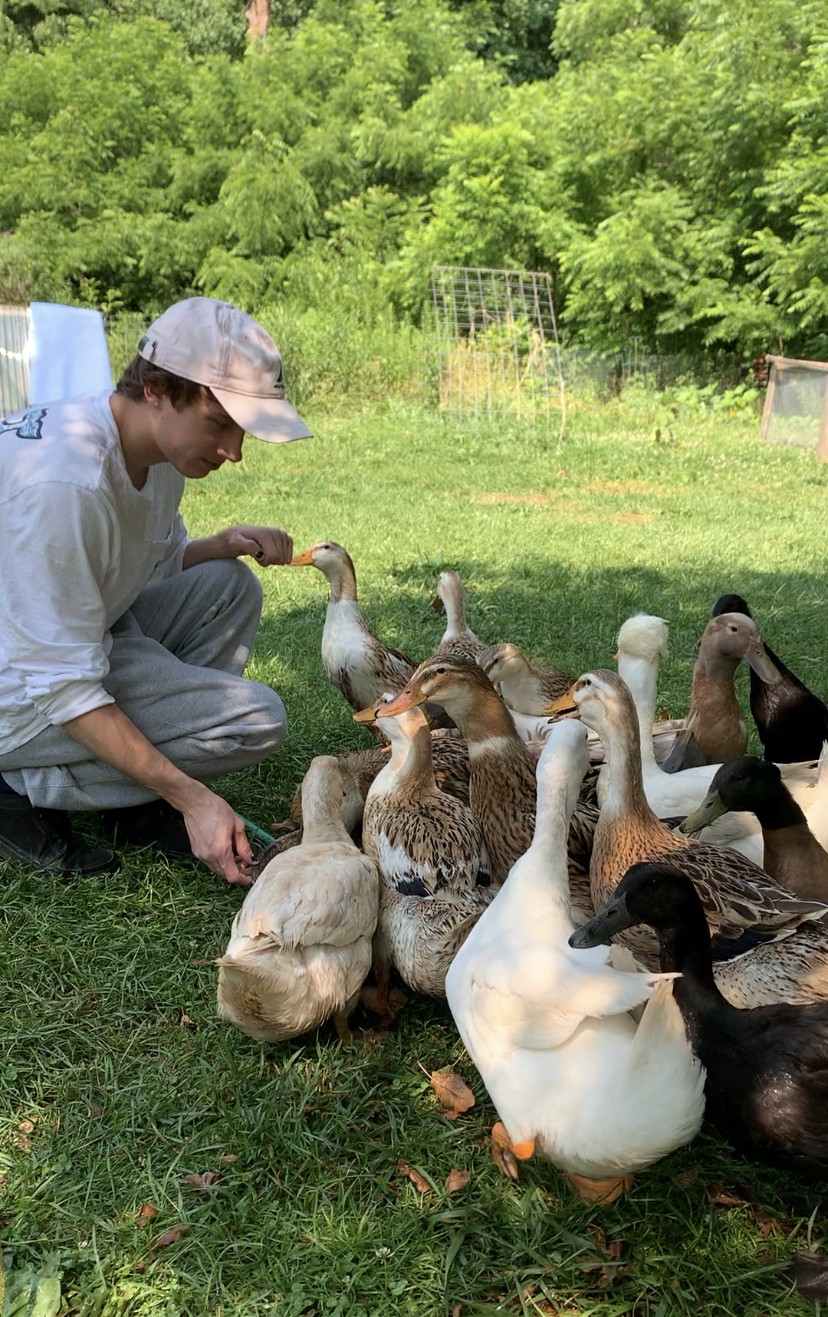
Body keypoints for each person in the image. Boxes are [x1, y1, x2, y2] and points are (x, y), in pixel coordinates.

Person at [0, 296, 312, 886]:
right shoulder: (67, 483)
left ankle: (130, 795)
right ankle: (17, 785)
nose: (234, 451)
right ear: (157, 389)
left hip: (68, 635)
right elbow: (62, 683)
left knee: (228, 585)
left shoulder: (151, 451)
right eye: (219, 423)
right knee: (253, 721)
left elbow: (142, 561)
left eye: (240, 429)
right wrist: (192, 797)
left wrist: (220, 545)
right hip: (21, 681)